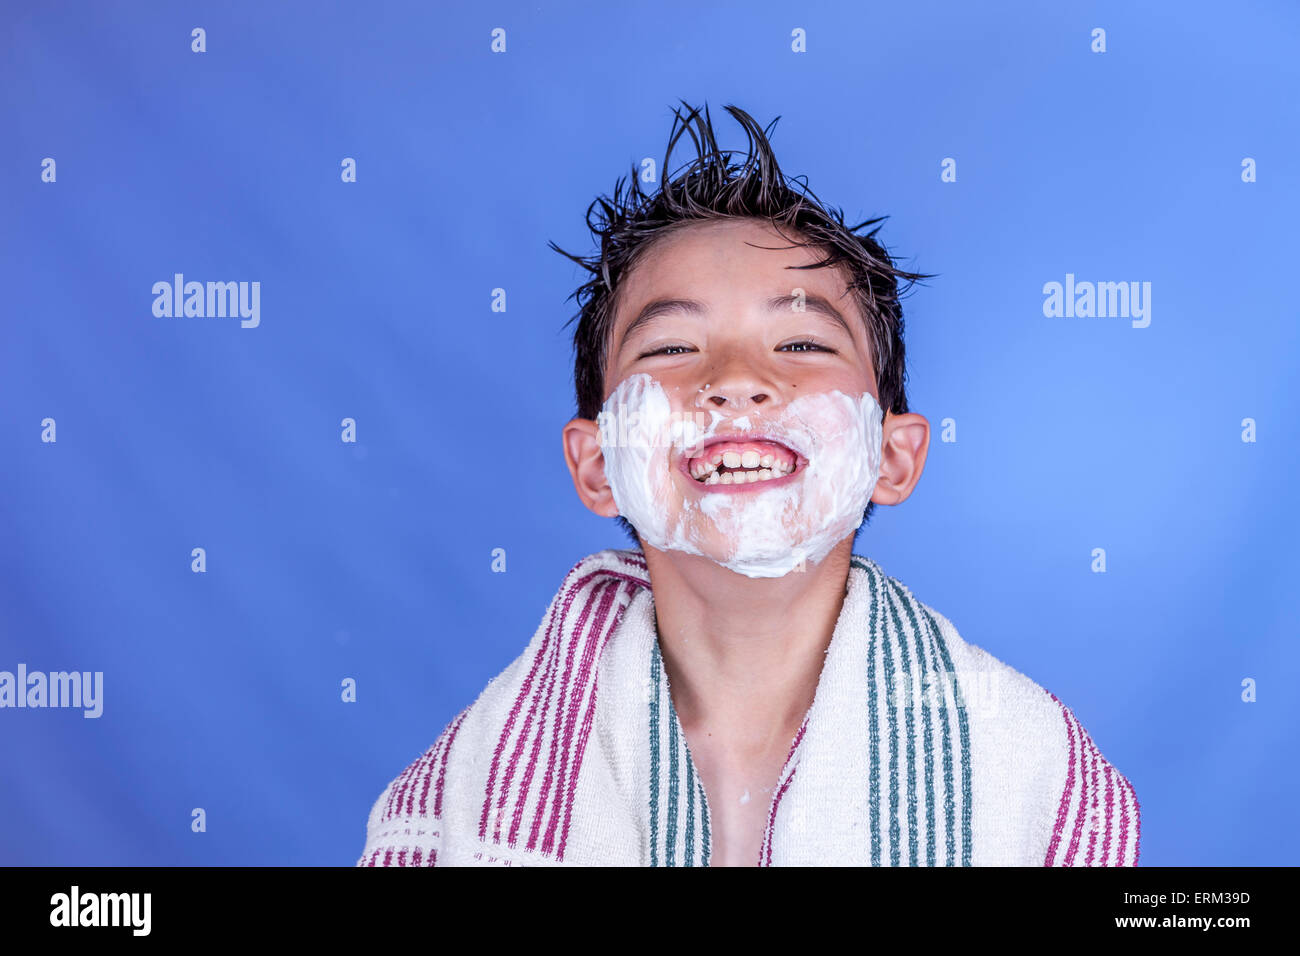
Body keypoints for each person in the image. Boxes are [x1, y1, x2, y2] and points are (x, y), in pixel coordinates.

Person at [356, 102, 1140, 867]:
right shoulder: (457, 800)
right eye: (670, 348)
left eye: (800, 341)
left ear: (890, 457)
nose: (735, 381)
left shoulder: (1035, 769)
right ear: (598, 467)